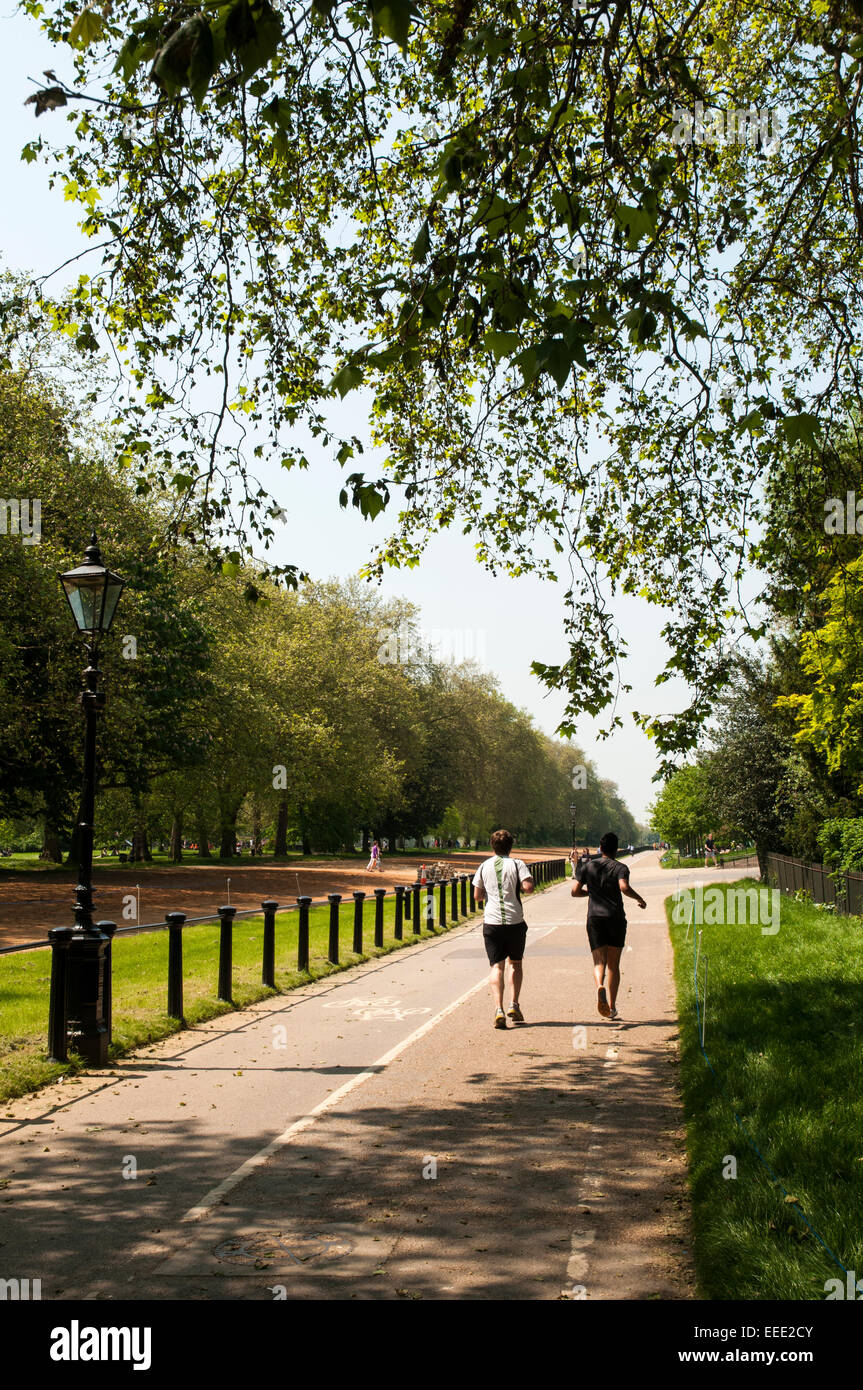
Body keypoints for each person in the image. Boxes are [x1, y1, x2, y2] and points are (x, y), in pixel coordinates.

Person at [571, 830, 646, 1021]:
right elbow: (624, 887)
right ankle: (612, 1007)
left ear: (601, 847)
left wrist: (589, 893)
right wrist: (639, 899)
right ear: (616, 849)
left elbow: (574, 891)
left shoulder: (589, 867)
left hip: (594, 917)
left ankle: (599, 987)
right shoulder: (621, 867)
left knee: (598, 961)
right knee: (614, 964)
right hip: (615, 917)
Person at [473, 829, 534, 1029]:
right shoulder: (518, 864)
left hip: (492, 921)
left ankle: (498, 1009)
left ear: (492, 846)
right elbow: (528, 887)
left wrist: (492, 893)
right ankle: (513, 1004)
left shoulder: (483, 866)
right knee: (515, 963)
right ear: (511, 846)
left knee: (496, 966)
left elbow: (477, 896)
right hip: (514, 920)